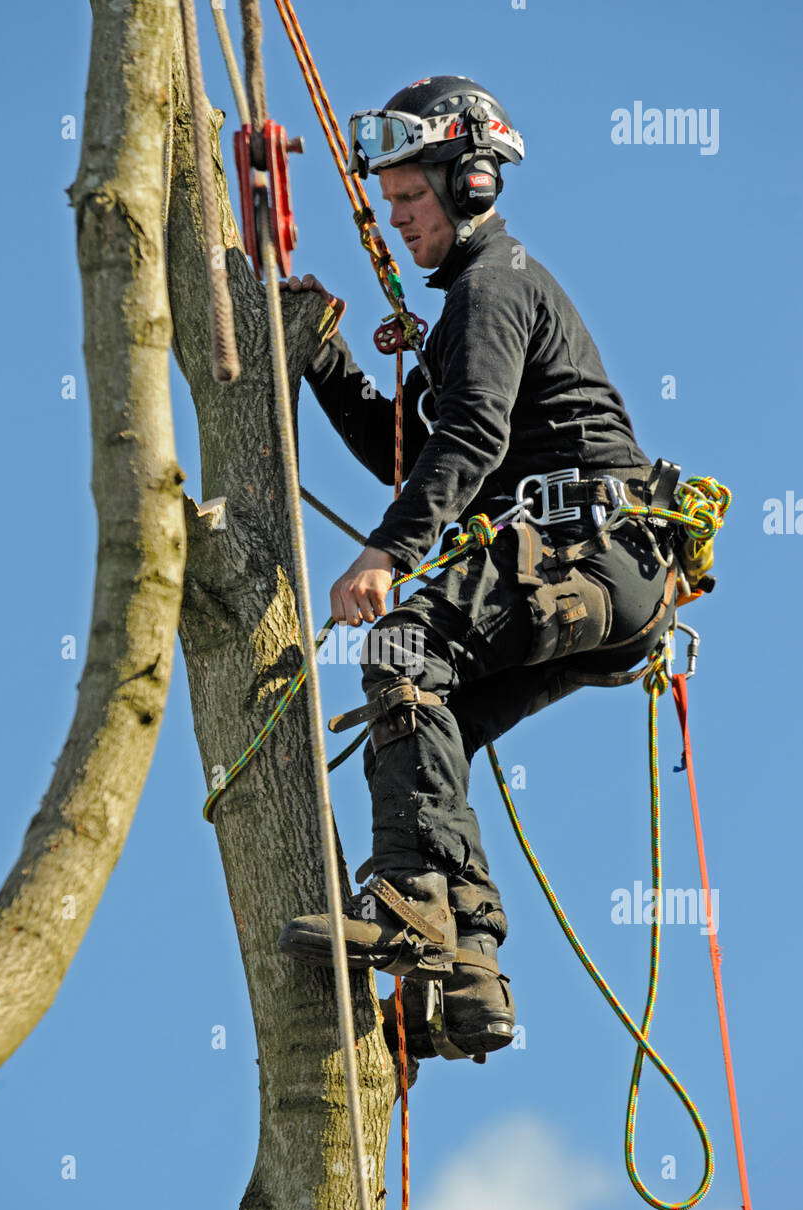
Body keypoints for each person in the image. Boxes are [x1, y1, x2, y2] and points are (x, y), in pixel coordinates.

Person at [277, 77, 680, 1063]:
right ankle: (469, 967)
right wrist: (322, 357)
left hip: (582, 551)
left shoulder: (493, 286)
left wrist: (386, 554)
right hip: (608, 585)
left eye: (411, 199)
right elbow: (408, 450)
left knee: (404, 648)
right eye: (390, 205)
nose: (398, 219)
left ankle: (416, 904)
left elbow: (467, 437)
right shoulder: (470, 305)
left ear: (471, 181)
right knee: (424, 718)